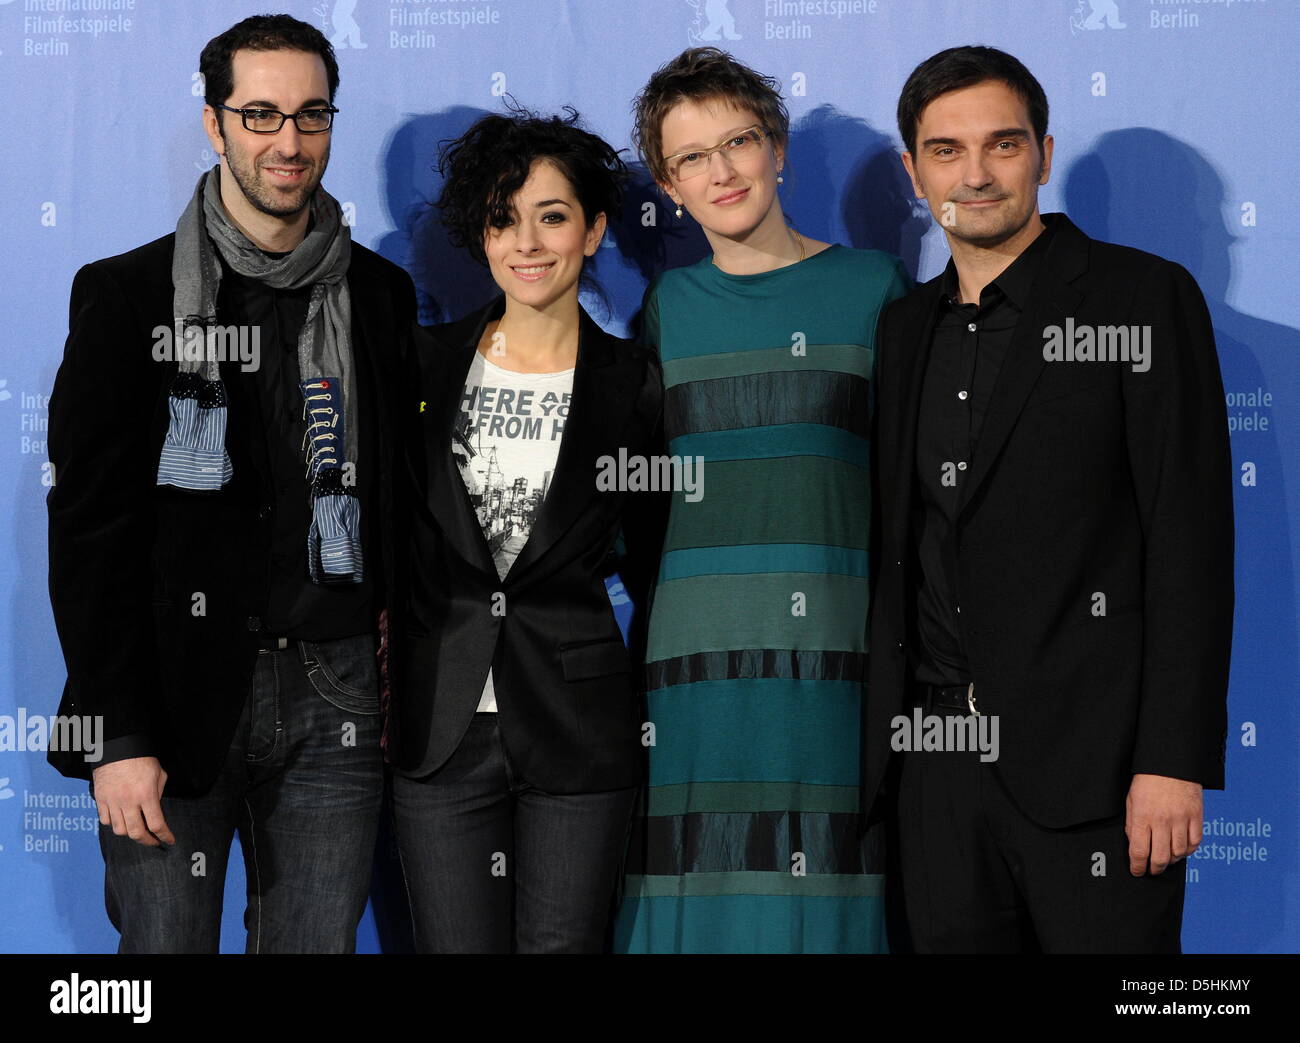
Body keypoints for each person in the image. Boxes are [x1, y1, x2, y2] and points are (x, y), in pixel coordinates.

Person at [45, 14, 416, 952]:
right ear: (215, 124)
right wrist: (115, 732)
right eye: (260, 115)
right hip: (171, 694)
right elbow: (91, 533)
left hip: (336, 690)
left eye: (310, 114)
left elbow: (399, 503)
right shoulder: (126, 294)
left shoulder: (378, 294)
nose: (288, 142)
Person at [864, 45, 1233, 953]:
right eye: (946, 151)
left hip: (1101, 774)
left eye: (1003, 144)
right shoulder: (905, 327)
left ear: (1044, 152)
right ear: (914, 173)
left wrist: (1171, 762)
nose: (977, 173)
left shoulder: (1141, 299)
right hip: (934, 768)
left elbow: (1189, 543)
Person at [613, 47, 910, 953]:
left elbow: (908, 489)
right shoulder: (668, 306)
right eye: (692, 157)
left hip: (836, 661)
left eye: (738, 141)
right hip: (692, 666)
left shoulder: (873, 289)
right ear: (667, 183)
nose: (722, 171)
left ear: (776, 147)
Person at [389, 107, 664, 953]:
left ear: (595, 229)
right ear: (481, 234)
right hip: (440, 721)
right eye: (504, 218)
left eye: (552, 215)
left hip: (578, 724)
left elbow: (655, 563)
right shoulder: (423, 362)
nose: (528, 242)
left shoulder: (635, 384)